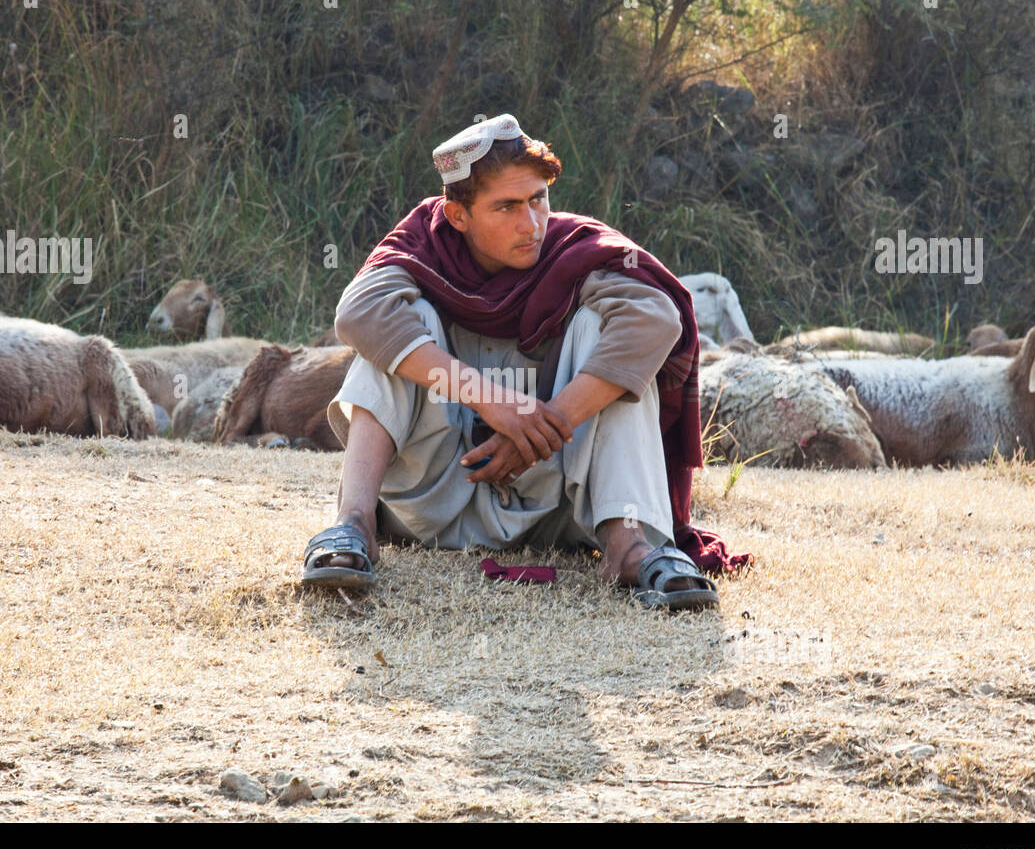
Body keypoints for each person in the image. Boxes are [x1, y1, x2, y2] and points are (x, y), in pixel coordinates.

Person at [301, 114, 749, 610]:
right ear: (458, 216)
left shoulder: (574, 249)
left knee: (606, 332)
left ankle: (629, 546)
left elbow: (657, 317)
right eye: (507, 207)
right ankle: (353, 526)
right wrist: (491, 401)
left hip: (555, 506)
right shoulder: (420, 247)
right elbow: (357, 312)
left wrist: (545, 426)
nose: (531, 223)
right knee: (399, 328)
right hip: (434, 498)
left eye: (538, 199)